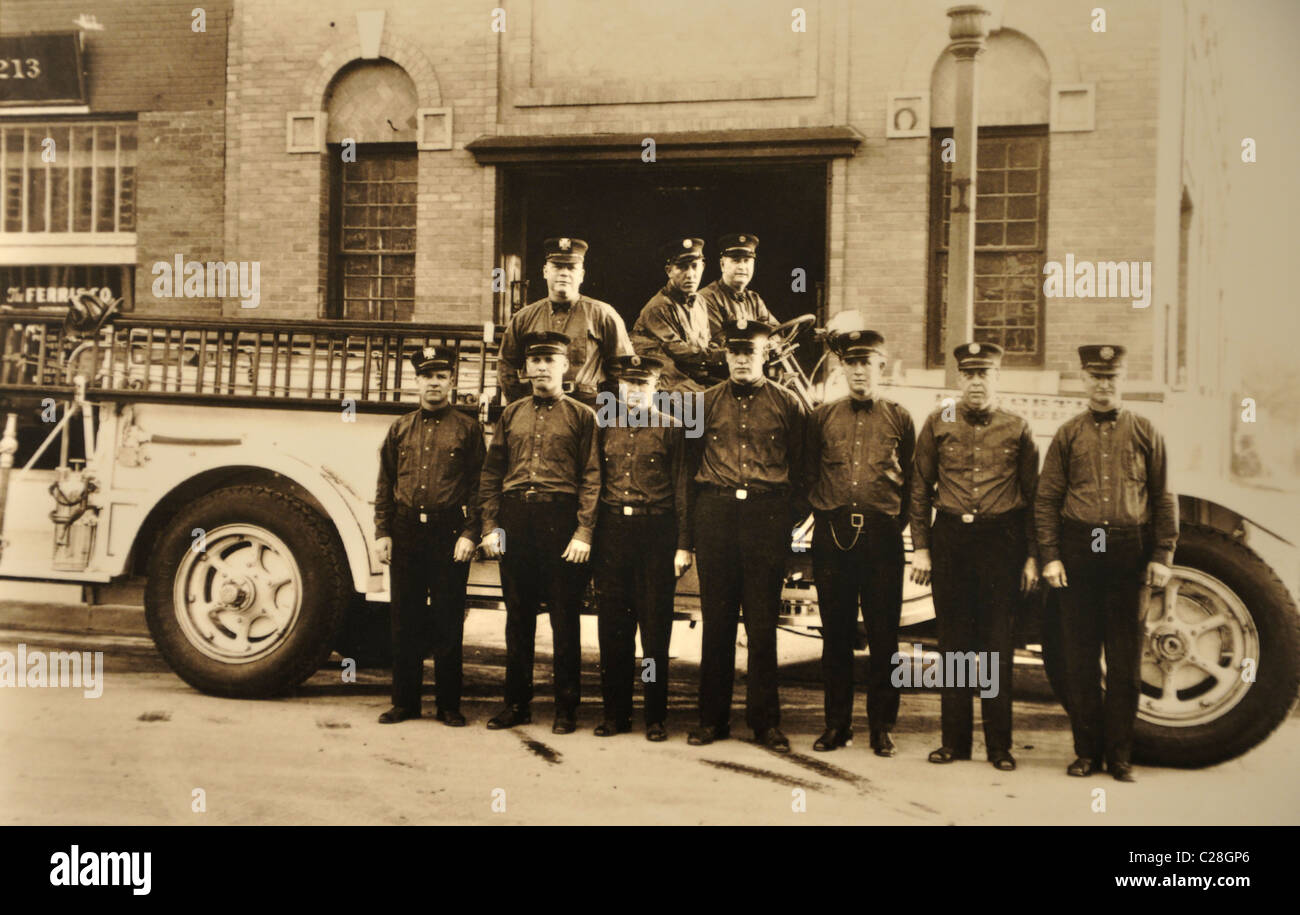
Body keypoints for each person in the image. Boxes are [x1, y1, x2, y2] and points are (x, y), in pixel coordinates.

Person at [1035, 344, 1178, 782]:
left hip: (1126, 554)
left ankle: (1119, 757)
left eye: (1111, 378)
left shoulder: (1146, 432)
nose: (1103, 385)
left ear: (1123, 380)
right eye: (1096, 377)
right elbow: (1047, 500)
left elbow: (1163, 497)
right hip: (1081, 551)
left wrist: (1162, 554)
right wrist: (1052, 557)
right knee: (1079, 660)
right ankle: (1086, 753)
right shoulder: (1068, 434)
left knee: (1124, 663)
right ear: (1084, 380)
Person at [910, 342, 1039, 770]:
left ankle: (999, 747)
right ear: (959, 379)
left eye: (985, 374)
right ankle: (954, 742)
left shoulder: (1017, 427)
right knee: (954, 645)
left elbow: (1034, 499)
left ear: (998, 379)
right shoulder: (938, 421)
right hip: (951, 541)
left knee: (996, 646)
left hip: (1001, 543)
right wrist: (922, 549)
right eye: (969, 375)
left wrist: (1032, 558)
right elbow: (919, 488)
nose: (977, 383)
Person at [687, 318, 807, 752]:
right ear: (726, 356)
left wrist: (782, 517)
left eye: (750, 353)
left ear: (764, 356)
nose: (741, 360)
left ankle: (765, 723)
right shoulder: (701, 404)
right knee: (716, 624)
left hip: (765, 516)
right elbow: (688, 467)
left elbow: (804, 468)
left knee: (762, 625)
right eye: (735, 353)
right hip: (716, 514)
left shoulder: (788, 404)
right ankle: (711, 720)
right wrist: (692, 531)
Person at [479, 331, 601, 735]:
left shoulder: (583, 417)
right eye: (536, 361)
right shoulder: (511, 414)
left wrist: (583, 532)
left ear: (566, 367)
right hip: (517, 520)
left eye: (551, 360)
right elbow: (492, 472)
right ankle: (516, 704)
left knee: (565, 619)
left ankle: (566, 708)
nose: (542, 368)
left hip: (560, 520)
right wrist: (490, 526)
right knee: (518, 617)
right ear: (527, 367)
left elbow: (591, 478)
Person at [803, 330, 915, 755]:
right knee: (835, 635)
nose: (858, 371)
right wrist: (826, 513)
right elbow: (809, 474)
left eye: (866, 363)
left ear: (881, 367)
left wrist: (887, 523)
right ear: (842, 368)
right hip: (833, 537)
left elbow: (912, 485)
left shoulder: (900, 419)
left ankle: (881, 727)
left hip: (881, 539)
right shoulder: (822, 418)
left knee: (885, 636)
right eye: (851, 363)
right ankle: (837, 725)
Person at [373, 345, 484, 726]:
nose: (433, 383)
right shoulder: (400, 428)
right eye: (426, 376)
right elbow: (385, 482)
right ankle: (404, 702)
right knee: (404, 618)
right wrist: (382, 531)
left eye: (440, 376)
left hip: (448, 532)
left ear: (451, 381)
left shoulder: (467, 429)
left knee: (447, 620)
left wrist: (471, 533)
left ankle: (448, 705)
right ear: (416, 381)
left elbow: (478, 487)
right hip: (405, 531)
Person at [592, 354, 693, 741]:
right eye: (629, 385)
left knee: (654, 631)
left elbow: (683, 490)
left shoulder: (673, 429)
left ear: (656, 388)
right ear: (619, 388)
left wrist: (683, 544)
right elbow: (595, 483)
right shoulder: (605, 427)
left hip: (656, 532)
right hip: (614, 531)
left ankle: (654, 716)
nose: (635, 392)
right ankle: (615, 714)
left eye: (643, 385)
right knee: (613, 628)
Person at [497, 237, 632, 407]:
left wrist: (607, 409)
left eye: (571, 267)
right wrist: (521, 404)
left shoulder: (602, 314)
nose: (564, 273)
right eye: (558, 266)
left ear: (581, 275)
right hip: (538, 407)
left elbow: (623, 369)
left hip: (587, 406)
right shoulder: (523, 318)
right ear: (545, 271)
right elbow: (506, 365)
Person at [630, 237, 724, 392]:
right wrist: (718, 356)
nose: (690, 274)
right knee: (709, 403)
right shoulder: (657, 307)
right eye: (682, 268)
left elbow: (705, 343)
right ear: (669, 271)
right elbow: (678, 351)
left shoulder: (699, 301)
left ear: (703, 267)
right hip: (669, 380)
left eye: (695, 266)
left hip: (695, 375)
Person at [697, 233, 778, 349]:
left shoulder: (754, 299)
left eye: (747, 261)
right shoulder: (706, 298)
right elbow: (719, 340)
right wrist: (763, 344)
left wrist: (773, 342)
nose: (742, 267)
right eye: (736, 260)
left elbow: (776, 329)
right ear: (722, 265)